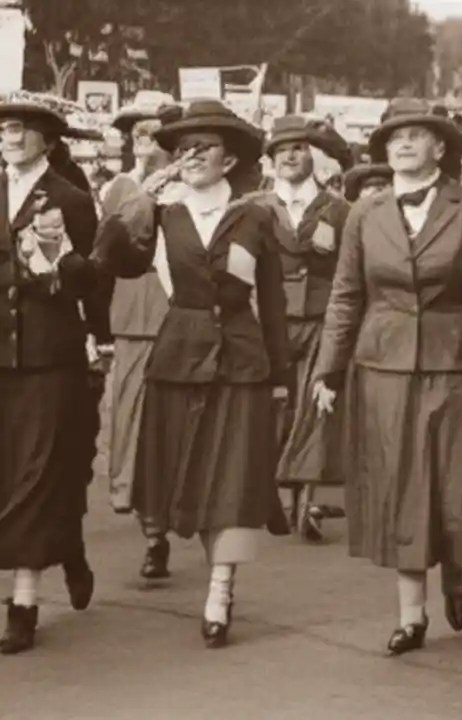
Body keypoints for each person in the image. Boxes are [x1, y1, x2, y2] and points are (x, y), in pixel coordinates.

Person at [93, 99, 291, 649]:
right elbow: (115, 259)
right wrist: (141, 195)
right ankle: (185, 555)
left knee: (232, 479)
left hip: (241, 360)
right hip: (179, 358)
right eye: (182, 150)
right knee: (184, 473)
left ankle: (220, 591)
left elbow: (270, 301)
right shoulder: (164, 215)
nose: (190, 157)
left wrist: (281, 376)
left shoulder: (257, 217)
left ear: (230, 161)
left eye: (203, 149)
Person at [311, 98, 462, 655]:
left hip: (455, 364)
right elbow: (346, 296)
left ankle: (453, 570)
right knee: (400, 483)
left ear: (439, 148)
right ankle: (411, 615)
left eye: (416, 136)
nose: (402, 144)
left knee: (452, 481)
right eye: (394, 137)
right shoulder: (365, 213)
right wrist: (328, 369)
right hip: (383, 366)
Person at [0, 100, 104, 654]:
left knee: (35, 476)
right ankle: (69, 543)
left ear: (44, 139)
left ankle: (23, 603)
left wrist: (52, 268)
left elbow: (89, 281)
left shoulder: (70, 200)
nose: (8, 138)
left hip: (48, 356)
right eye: (3, 131)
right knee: (6, 471)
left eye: (18, 130)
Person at [249, 115, 352, 542]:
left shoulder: (339, 209)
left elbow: (351, 271)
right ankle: (271, 493)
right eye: (281, 150)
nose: (290, 155)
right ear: (270, 160)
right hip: (267, 320)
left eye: (299, 148)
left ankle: (307, 500)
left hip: (321, 318)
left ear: (314, 155)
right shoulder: (255, 207)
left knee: (316, 406)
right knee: (271, 407)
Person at [99, 102, 187, 580]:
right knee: (130, 426)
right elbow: (105, 247)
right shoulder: (117, 188)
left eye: (152, 134)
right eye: (136, 134)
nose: (142, 141)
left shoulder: (189, 189)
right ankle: (152, 533)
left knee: (175, 426)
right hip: (132, 318)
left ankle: (174, 516)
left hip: (179, 318)